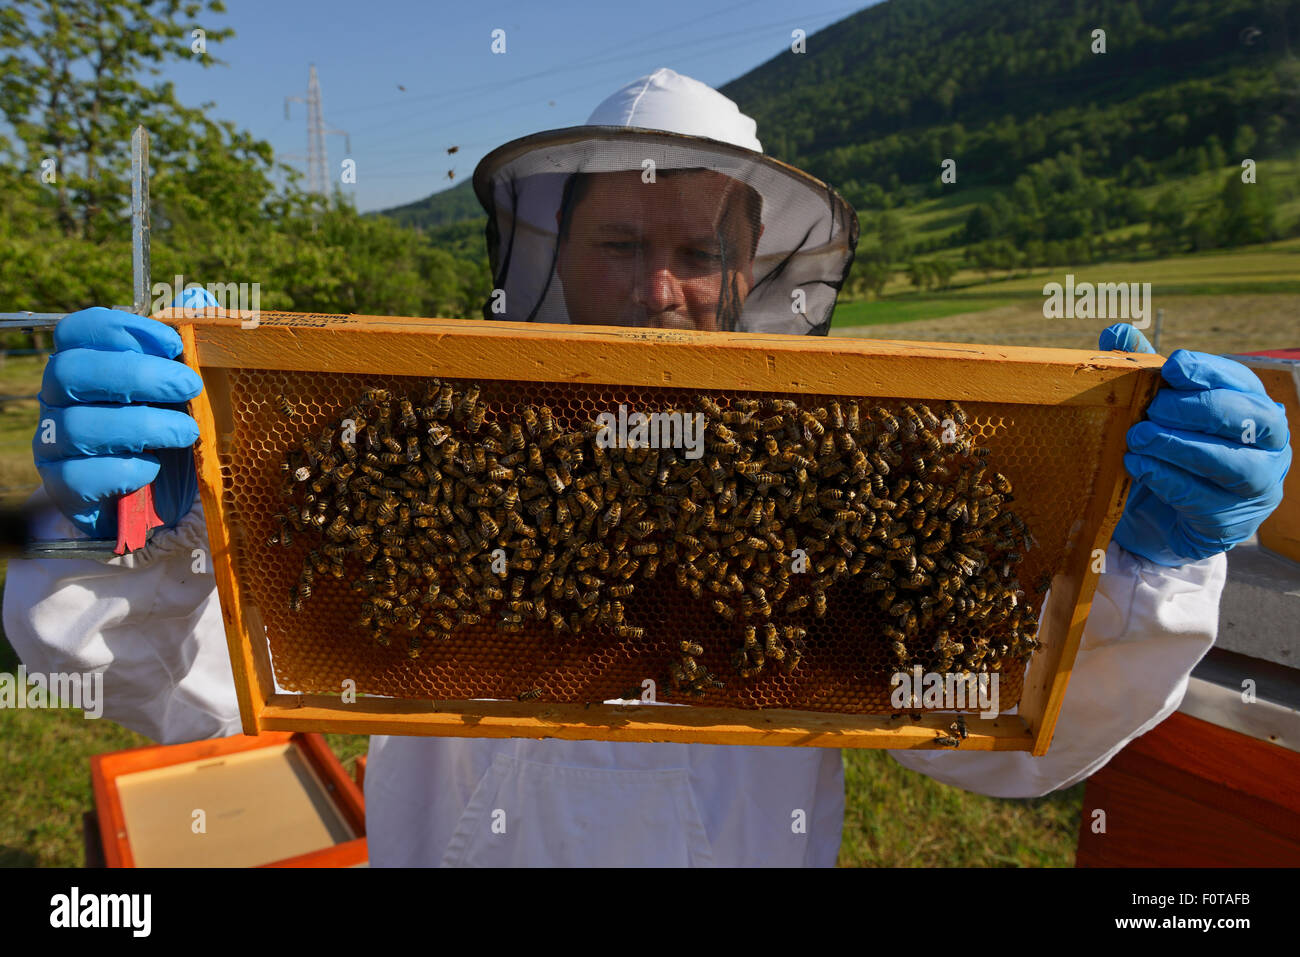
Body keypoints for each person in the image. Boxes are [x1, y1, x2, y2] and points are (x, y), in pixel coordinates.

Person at [6, 69, 1290, 866]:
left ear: (751, 280)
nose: (658, 290)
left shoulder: (826, 486)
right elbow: (196, 703)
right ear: (553, 258)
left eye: (696, 253)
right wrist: (126, 530)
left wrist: (1149, 571)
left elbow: (1004, 748)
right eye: (620, 242)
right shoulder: (426, 444)